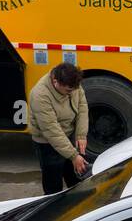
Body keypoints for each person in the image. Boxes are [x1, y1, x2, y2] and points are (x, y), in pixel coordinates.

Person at [28, 63, 89, 193]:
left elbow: (82, 107)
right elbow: (52, 131)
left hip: (68, 135)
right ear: (55, 82)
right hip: (47, 142)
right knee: (53, 185)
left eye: (74, 90)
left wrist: (81, 135)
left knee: (77, 179)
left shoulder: (72, 82)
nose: (71, 93)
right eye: (68, 91)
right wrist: (73, 155)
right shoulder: (40, 95)